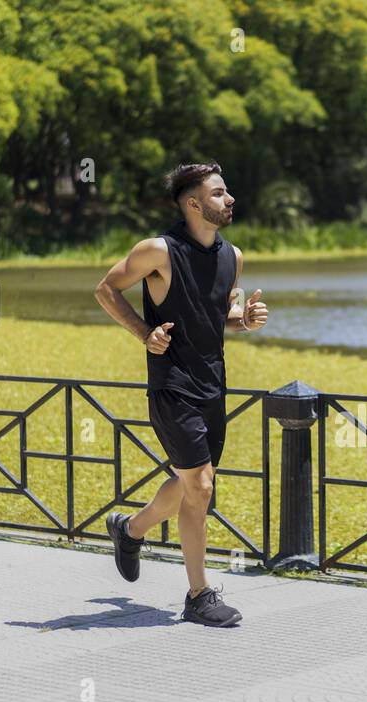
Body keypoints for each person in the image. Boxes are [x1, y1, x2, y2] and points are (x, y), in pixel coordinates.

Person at [92, 162, 268, 626]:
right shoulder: (158, 251)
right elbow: (106, 289)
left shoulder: (234, 257)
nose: (230, 199)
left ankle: (130, 530)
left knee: (194, 485)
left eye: (227, 192)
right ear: (193, 203)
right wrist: (143, 332)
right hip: (172, 386)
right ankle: (199, 594)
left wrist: (243, 320)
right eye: (219, 193)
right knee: (202, 485)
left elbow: (220, 315)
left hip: (214, 385)